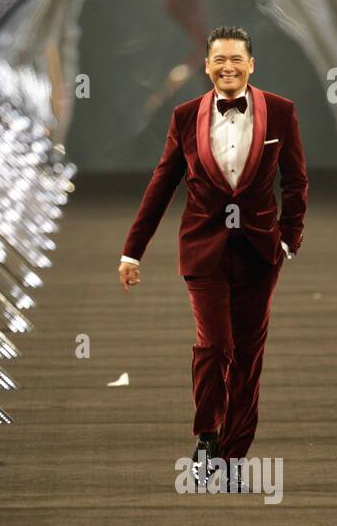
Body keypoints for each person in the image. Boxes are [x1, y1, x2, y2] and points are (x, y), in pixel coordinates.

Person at [119, 26, 307, 489]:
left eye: (236, 59)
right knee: (214, 345)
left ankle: (233, 456)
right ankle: (206, 432)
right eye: (219, 59)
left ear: (251, 65)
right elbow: (162, 184)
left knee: (247, 354)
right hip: (203, 252)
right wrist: (132, 252)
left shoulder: (280, 112)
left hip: (260, 252)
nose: (228, 67)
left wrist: (287, 239)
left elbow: (296, 181)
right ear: (206, 66)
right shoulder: (185, 117)